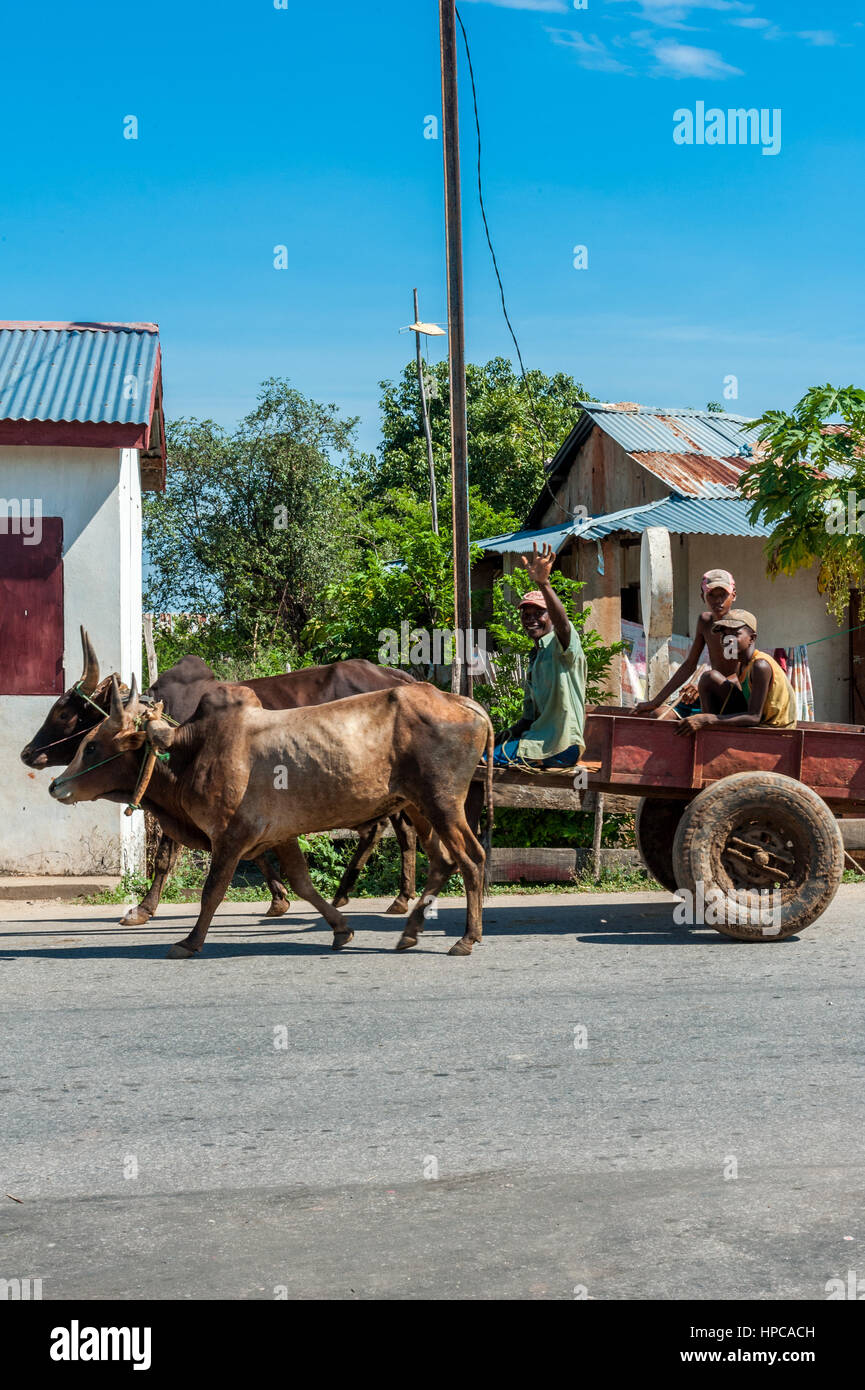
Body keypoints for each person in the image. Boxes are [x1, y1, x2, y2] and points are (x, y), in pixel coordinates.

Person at [491, 541, 587, 768]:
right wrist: (499, 736)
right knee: (483, 751)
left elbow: (563, 625)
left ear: (551, 616)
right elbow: (528, 719)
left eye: (539, 613)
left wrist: (544, 584)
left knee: (480, 762)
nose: (531, 618)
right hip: (536, 740)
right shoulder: (536, 657)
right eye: (526, 614)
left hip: (560, 745)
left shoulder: (562, 645)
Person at [634, 568, 739, 719]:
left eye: (723, 594)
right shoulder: (705, 622)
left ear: (733, 595)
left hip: (732, 695)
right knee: (658, 715)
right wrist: (656, 702)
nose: (717, 601)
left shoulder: (738, 627)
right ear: (703, 597)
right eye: (711, 595)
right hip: (710, 692)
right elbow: (690, 664)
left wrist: (702, 686)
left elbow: (741, 675)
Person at [674, 609, 796, 735]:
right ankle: (710, 735)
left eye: (735, 634)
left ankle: (710, 731)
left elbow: (754, 717)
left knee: (710, 681)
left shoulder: (760, 665)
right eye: (724, 635)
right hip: (758, 720)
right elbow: (733, 684)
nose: (729, 640)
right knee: (709, 678)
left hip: (773, 729)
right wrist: (699, 689)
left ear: (752, 639)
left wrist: (708, 719)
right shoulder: (741, 666)